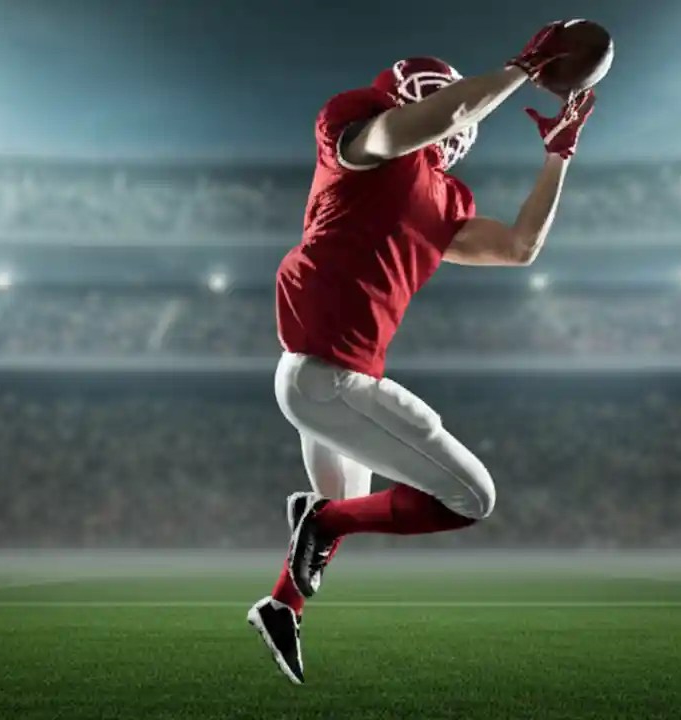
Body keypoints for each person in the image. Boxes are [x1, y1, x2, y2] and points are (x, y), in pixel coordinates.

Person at [247, 22, 599, 684]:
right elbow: (436, 118)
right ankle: (317, 522)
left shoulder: (444, 199)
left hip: (328, 382)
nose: (450, 110)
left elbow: (521, 246)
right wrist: (522, 67)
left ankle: (282, 605)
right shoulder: (358, 133)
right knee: (471, 498)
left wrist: (558, 157)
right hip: (328, 382)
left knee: (338, 524)